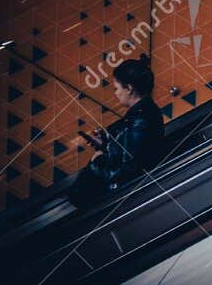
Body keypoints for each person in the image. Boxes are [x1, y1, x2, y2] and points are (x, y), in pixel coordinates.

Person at [67, 55, 165, 207]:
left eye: (117, 88)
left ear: (129, 89)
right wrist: (106, 144)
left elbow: (127, 169)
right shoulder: (142, 112)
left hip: (117, 200)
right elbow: (130, 151)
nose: (115, 93)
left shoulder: (141, 118)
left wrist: (97, 161)